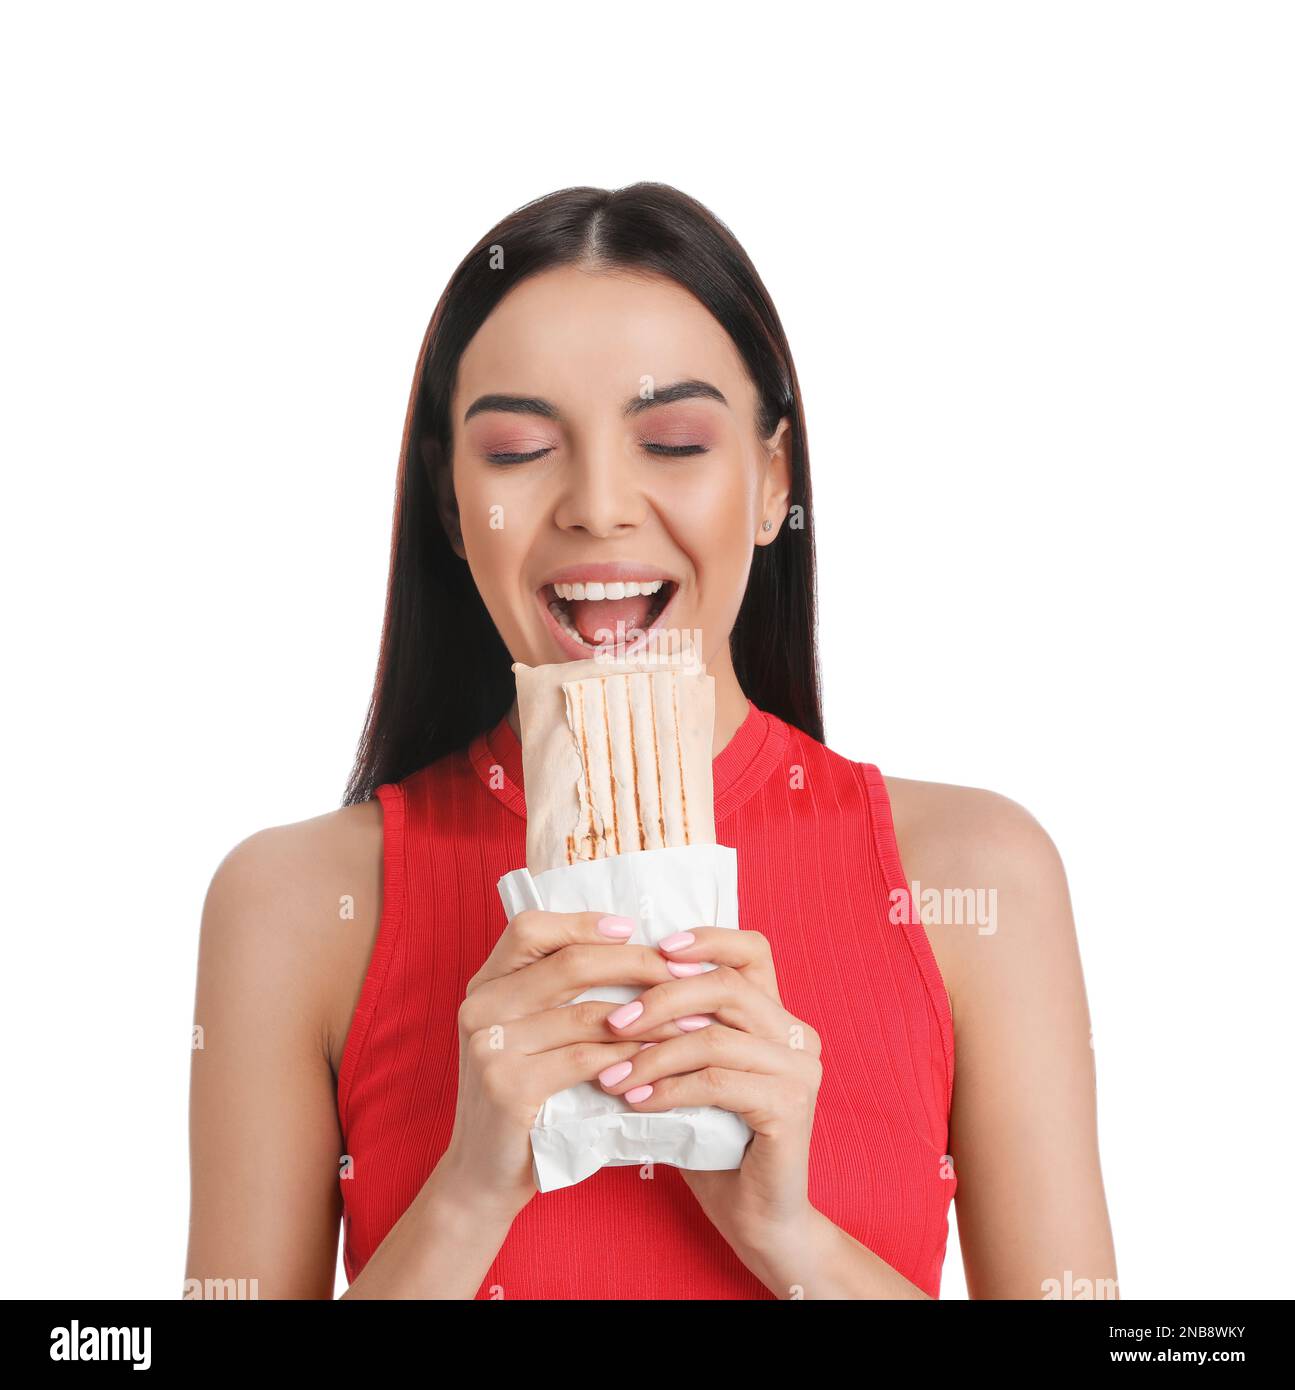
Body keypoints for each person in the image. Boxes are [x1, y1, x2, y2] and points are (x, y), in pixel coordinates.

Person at [185, 183, 1118, 1299]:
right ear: (450, 504)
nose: (597, 504)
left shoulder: (973, 874)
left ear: (773, 481)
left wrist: (789, 1234)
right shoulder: (291, 901)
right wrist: (472, 1186)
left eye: (671, 440)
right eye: (521, 448)